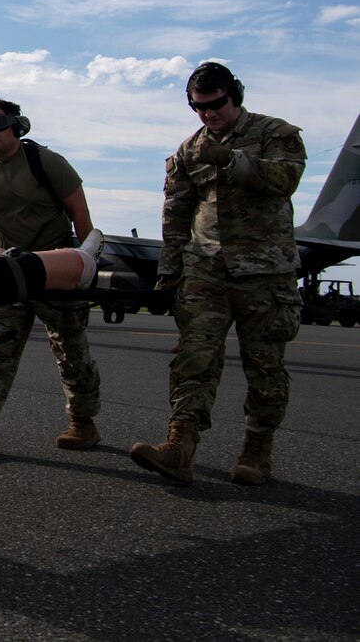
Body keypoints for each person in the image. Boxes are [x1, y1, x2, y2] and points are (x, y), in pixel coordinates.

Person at [130, 62, 305, 486]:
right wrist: (169, 273)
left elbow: (286, 178)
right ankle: (180, 445)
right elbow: (176, 213)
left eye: (216, 104)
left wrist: (232, 160)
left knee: (264, 364)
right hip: (206, 267)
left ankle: (257, 450)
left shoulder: (275, 133)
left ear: (235, 95)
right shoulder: (189, 150)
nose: (208, 113)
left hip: (265, 271)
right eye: (198, 107)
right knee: (194, 356)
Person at [0, 99, 103, 453]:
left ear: (17, 126)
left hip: (54, 269)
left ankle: (83, 422)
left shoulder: (46, 162)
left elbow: (81, 216)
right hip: (9, 270)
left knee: (71, 349)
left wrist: (88, 269)